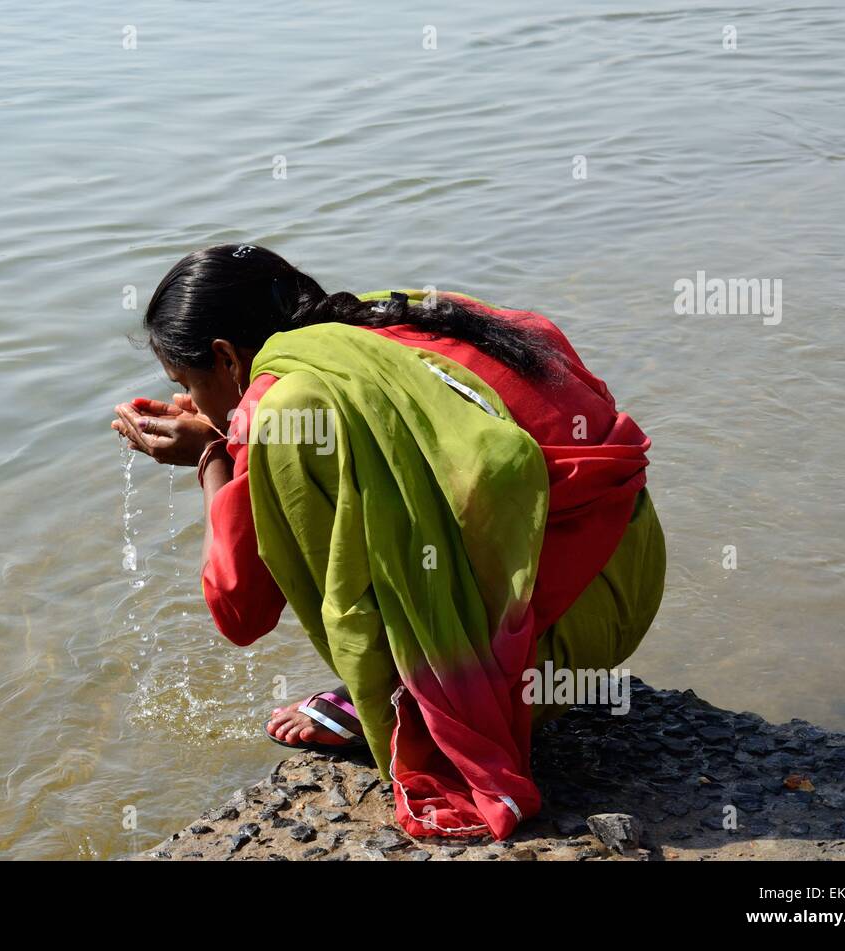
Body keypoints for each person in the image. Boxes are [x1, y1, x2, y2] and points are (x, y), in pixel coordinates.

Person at [112, 244, 665, 839]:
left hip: (551, 649)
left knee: (296, 451)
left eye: (187, 383)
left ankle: (408, 701)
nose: (192, 402)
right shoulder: (393, 317)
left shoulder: (290, 401)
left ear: (224, 357)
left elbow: (239, 608)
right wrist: (231, 427)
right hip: (631, 579)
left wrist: (218, 455)